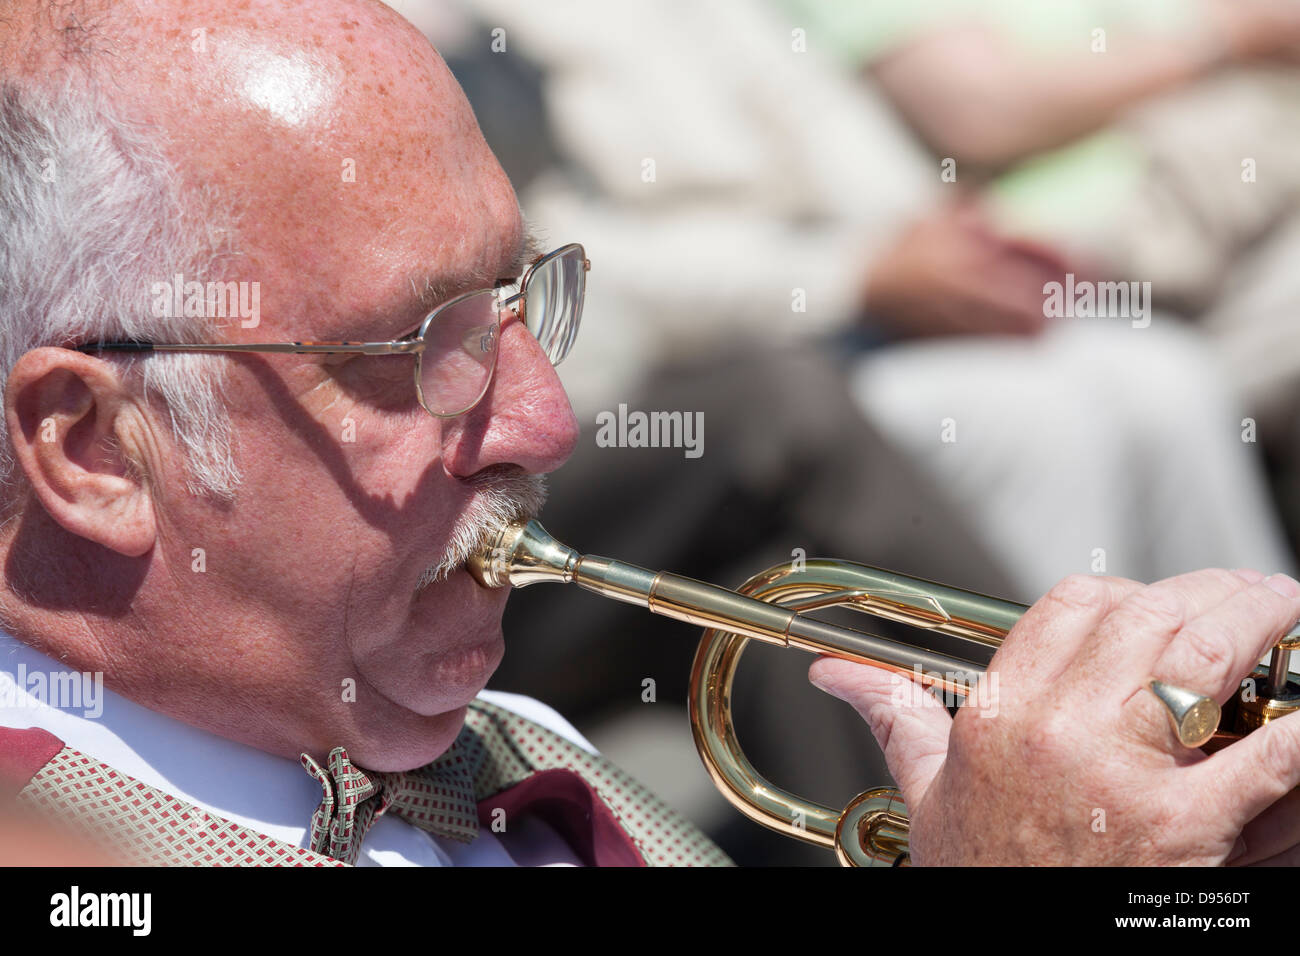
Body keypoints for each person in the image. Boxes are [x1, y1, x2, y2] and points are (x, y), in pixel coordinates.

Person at [0, 0, 1298, 868]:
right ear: (96, 450)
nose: (544, 420)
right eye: (417, 346)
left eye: (522, 307)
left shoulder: (526, 752)